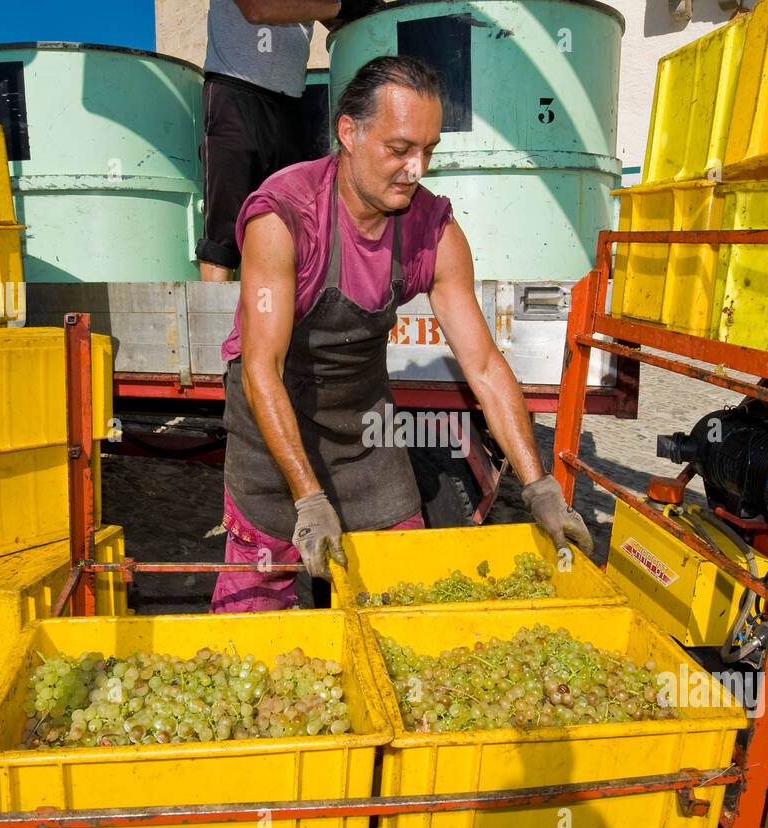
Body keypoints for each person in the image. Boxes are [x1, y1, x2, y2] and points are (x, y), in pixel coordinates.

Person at [210, 55, 592, 613]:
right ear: (348, 132)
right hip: (271, 432)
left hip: (364, 432)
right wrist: (310, 500)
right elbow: (260, 368)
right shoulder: (284, 217)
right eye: (400, 149)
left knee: (400, 595)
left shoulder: (433, 230)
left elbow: (483, 366)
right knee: (255, 604)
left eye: (429, 151)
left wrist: (541, 489)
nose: (417, 169)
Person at [197, 0, 380, 281]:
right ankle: (211, 323)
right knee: (223, 235)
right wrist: (342, 7)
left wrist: (366, 12)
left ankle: (283, 320)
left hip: (289, 102)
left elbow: (333, 16)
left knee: (290, 227)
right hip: (235, 91)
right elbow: (258, 8)